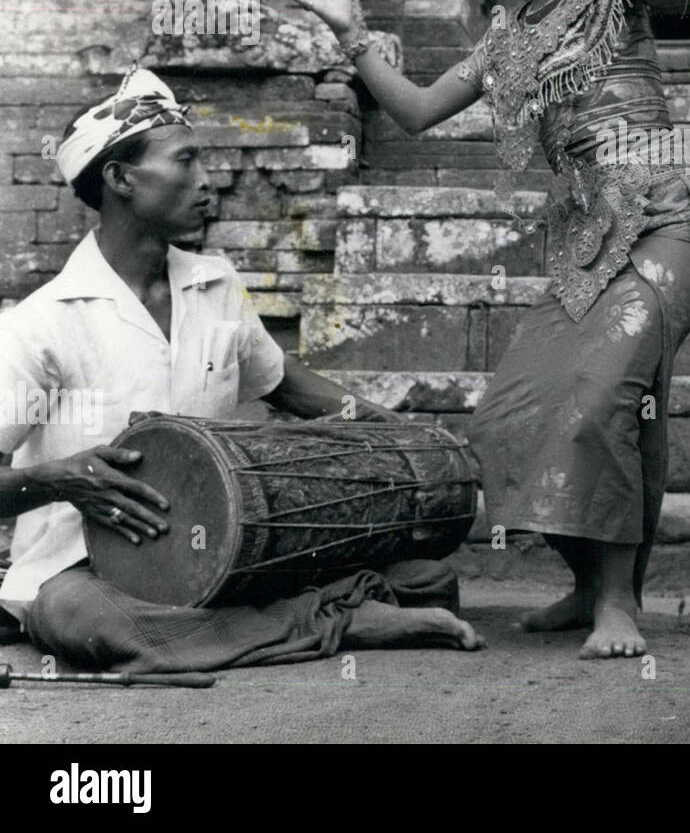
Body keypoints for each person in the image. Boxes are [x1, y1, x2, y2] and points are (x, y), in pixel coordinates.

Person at [271, 0, 690, 659]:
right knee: (509, 418)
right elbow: (413, 111)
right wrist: (351, 32)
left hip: (665, 225)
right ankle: (580, 582)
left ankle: (619, 603)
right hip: (580, 246)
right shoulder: (500, 42)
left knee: (608, 399)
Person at [0, 68, 483, 672]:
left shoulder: (216, 284)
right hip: (85, 566)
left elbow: (291, 387)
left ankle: (270, 623)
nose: (208, 181)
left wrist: (417, 442)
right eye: (186, 162)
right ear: (120, 179)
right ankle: (342, 616)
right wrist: (59, 480)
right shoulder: (42, 322)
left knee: (426, 574)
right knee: (95, 623)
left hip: (227, 549)